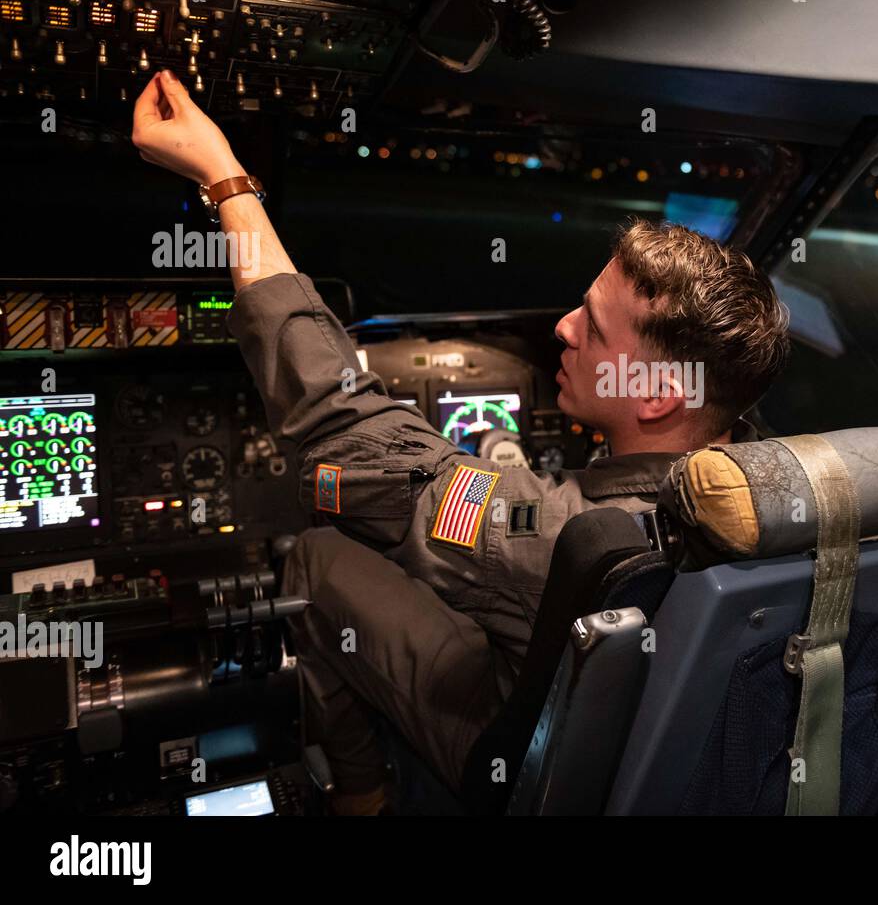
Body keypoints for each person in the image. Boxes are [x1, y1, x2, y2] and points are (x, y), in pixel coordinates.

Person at [131, 70, 791, 813]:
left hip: (526, 763)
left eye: (593, 329)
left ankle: (363, 797)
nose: (562, 330)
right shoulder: (797, 502)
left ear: (661, 395)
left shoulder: (559, 534)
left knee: (318, 558)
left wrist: (224, 180)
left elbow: (343, 424)